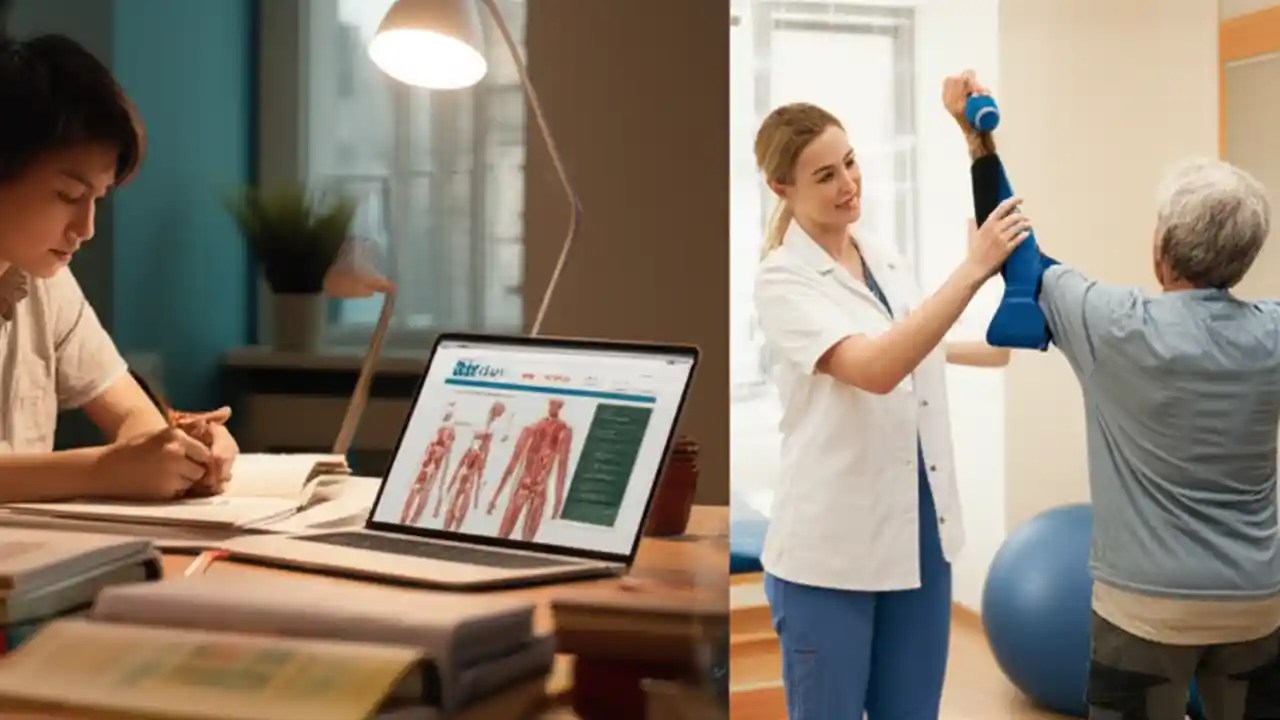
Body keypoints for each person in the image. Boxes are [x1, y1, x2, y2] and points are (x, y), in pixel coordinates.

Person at [954, 69, 1280, 719]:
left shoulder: (1111, 322)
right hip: (1257, 603)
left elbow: (1014, 249)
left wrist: (977, 141)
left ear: (1161, 250)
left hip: (1144, 613)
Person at [750, 82, 1032, 718]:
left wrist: (975, 140)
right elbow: (875, 367)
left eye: (850, 162)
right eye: (825, 174)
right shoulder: (781, 280)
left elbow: (970, 347)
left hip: (918, 536)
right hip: (830, 555)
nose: (848, 183)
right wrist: (969, 271)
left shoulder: (878, 253)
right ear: (781, 189)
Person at [0, 33, 240, 502]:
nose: (85, 228)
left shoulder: (44, 282)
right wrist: (104, 469)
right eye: (68, 196)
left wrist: (180, 452)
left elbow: (134, 416)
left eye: (97, 200)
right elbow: (114, 462)